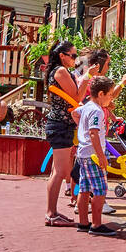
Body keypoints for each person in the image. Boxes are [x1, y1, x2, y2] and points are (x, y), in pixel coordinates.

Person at [42, 40, 91, 226]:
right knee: (61, 172)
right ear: (62, 56)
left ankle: (52, 212)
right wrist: (86, 78)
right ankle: (51, 214)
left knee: (56, 171)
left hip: (60, 124)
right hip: (61, 124)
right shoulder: (61, 71)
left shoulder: (58, 71)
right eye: (72, 55)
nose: (75, 59)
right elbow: (77, 97)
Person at [74, 76, 117, 236]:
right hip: (93, 155)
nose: (111, 98)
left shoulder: (86, 106)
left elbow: (74, 113)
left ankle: (83, 222)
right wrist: (101, 156)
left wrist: (80, 130)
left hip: (83, 153)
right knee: (100, 189)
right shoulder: (97, 111)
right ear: (101, 94)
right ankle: (97, 224)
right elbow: (93, 133)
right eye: (110, 94)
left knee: (84, 189)